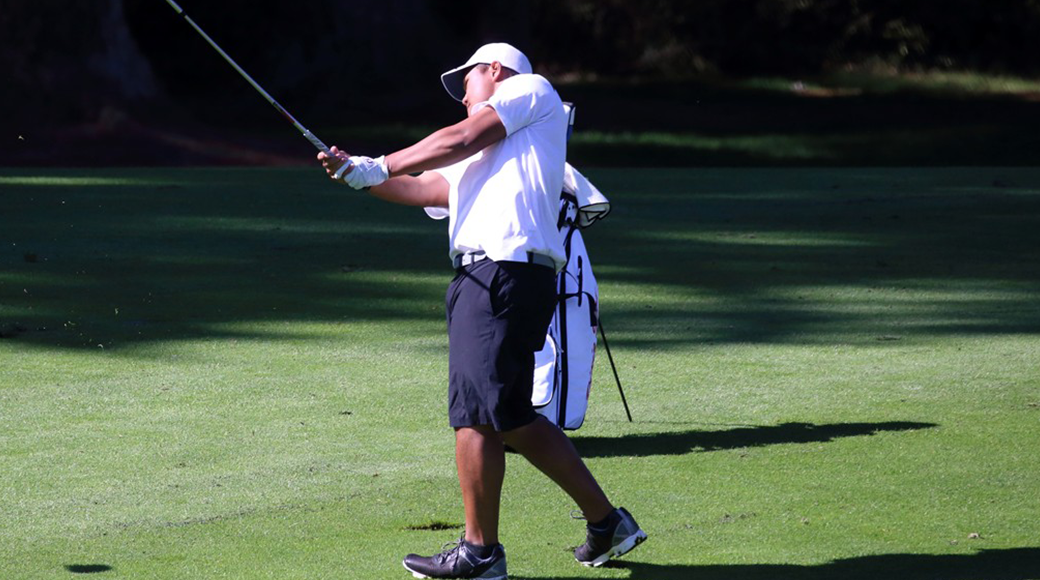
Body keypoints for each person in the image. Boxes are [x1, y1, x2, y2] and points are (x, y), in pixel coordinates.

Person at [318, 43, 646, 579]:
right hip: (492, 277)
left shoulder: (529, 91)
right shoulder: (481, 150)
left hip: (501, 274)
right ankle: (608, 523)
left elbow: (462, 135)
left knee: (473, 413)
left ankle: (480, 552)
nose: (462, 95)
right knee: (511, 415)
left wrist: (379, 161)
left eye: (466, 81)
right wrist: (359, 175)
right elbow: (424, 186)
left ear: (494, 71)